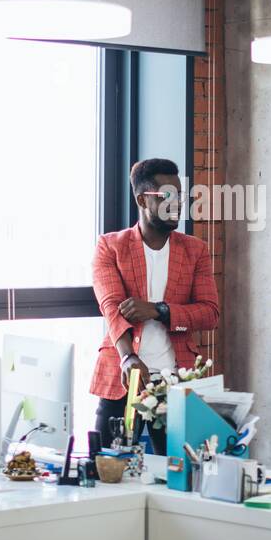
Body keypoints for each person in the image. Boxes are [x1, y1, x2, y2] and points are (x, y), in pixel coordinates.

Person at [91, 158, 220, 456]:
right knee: (108, 471)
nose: (177, 204)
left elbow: (209, 313)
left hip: (176, 380)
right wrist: (128, 359)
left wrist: (158, 310)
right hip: (122, 377)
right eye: (167, 197)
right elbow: (112, 307)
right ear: (142, 199)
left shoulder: (195, 250)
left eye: (181, 196)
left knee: (180, 476)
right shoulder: (110, 247)